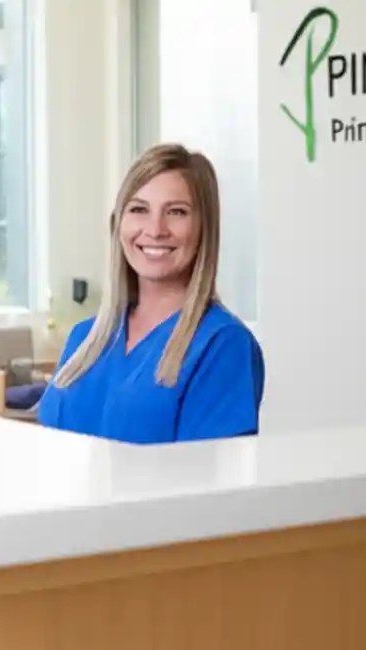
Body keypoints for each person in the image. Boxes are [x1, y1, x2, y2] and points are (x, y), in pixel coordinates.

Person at [36, 143, 264, 444]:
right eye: (139, 209)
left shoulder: (221, 345)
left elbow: (209, 483)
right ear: (119, 223)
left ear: (203, 229)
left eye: (177, 212)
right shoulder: (84, 339)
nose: (156, 229)